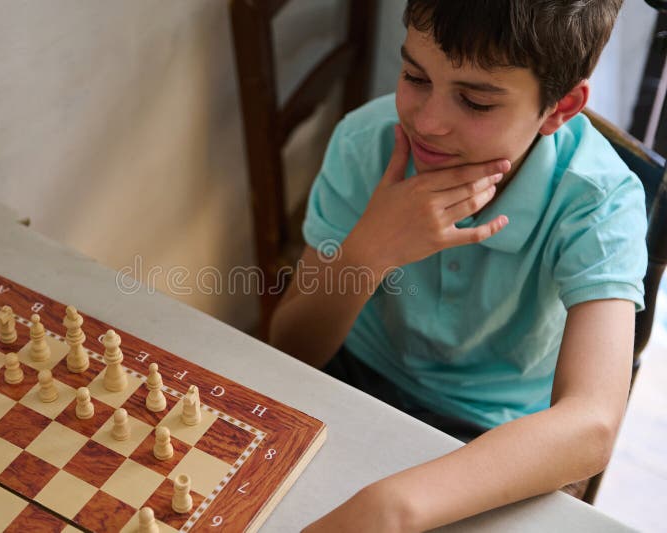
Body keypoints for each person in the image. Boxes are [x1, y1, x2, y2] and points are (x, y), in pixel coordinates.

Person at [269, 1, 648, 530]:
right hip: (349, 379)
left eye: (474, 101)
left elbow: (592, 424)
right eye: (414, 76)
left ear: (560, 108)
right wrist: (369, 252)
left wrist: (392, 507)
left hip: (495, 434)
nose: (427, 123)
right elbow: (291, 347)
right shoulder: (364, 142)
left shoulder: (598, 201)